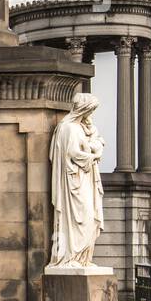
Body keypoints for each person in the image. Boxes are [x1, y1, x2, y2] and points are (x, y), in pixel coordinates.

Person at [48, 92, 106, 267]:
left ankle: (83, 259)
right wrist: (95, 153)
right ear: (83, 109)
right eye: (91, 110)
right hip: (74, 183)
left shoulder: (81, 127)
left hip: (84, 179)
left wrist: (94, 145)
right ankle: (71, 257)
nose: (91, 115)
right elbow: (74, 154)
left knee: (89, 220)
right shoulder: (69, 128)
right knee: (81, 219)